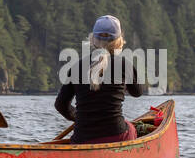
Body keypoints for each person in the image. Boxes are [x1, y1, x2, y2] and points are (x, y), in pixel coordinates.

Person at [54, 15, 147, 144]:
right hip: (116, 134)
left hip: (82, 139)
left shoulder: (76, 66)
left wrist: (78, 117)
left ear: (93, 39)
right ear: (119, 41)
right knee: (131, 128)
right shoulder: (125, 65)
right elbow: (138, 92)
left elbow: (60, 105)